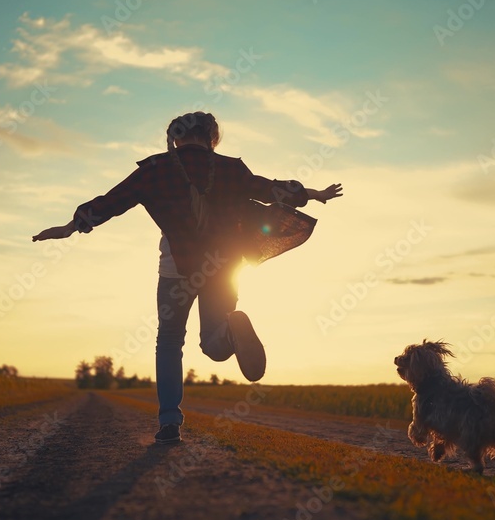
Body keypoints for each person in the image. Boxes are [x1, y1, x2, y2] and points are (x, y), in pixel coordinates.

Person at [32, 112, 342, 444]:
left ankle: (169, 423)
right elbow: (272, 190)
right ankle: (231, 330)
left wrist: (71, 226)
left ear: (176, 138)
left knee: (169, 342)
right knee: (213, 345)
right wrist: (313, 193)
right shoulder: (231, 168)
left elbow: (112, 202)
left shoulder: (154, 170)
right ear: (212, 138)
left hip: (176, 271)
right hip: (223, 268)